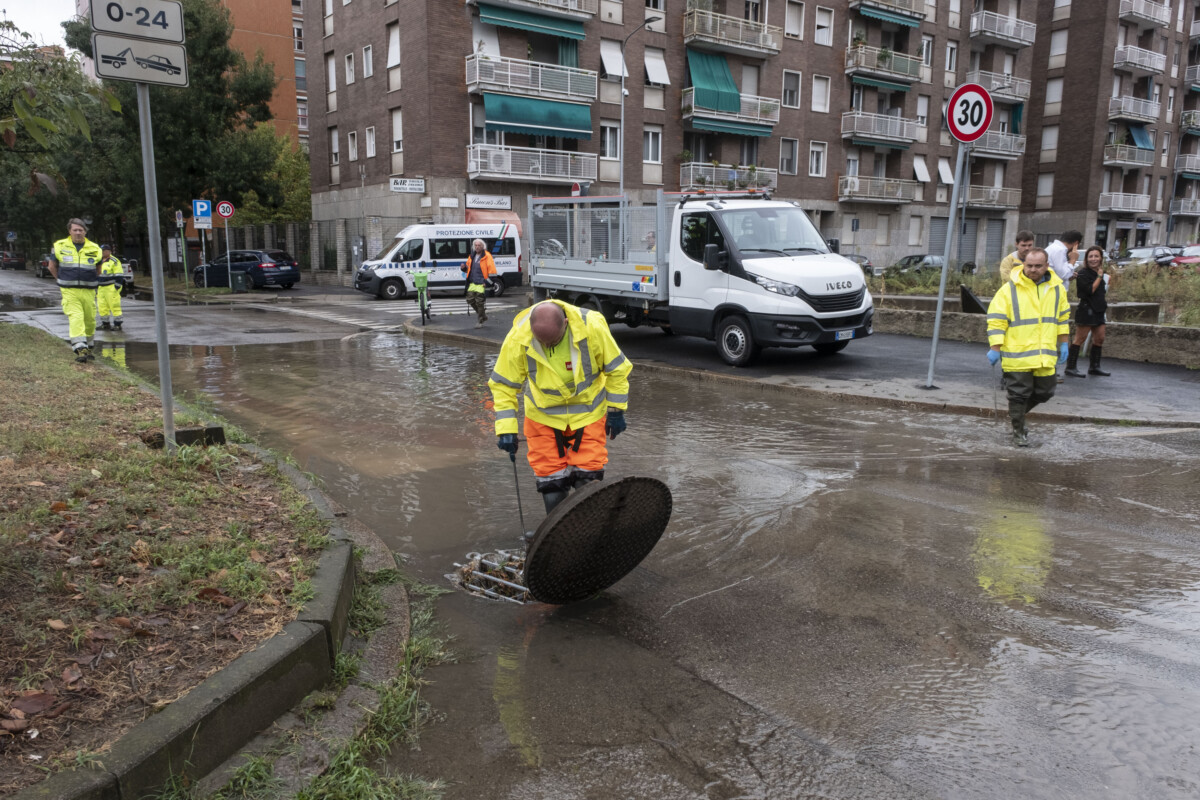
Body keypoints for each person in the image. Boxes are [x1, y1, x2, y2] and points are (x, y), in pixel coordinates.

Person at [489, 300, 632, 518]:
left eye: (553, 341)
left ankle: (589, 527)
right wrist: (506, 429)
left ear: (566, 323)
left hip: (587, 414)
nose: (547, 346)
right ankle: (558, 530)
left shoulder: (591, 327)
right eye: (542, 342)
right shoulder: (519, 337)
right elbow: (503, 385)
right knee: (551, 481)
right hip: (543, 417)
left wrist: (616, 411)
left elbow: (617, 370)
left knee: (588, 475)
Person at [985, 247, 1071, 447]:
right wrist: (995, 347)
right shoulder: (1009, 289)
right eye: (1029, 265)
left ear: (1047, 266)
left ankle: (1017, 416)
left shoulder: (1057, 289)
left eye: (1038, 266)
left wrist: (1064, 342)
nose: (1033, 269)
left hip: (1044, 354)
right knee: (1018, 395)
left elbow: (1062, 317)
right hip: (1017, 354)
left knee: (1045, 392)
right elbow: (997, 320)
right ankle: (1018, 432)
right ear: (1023, 264)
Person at [48, 218, 114, 363]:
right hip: (69, 290)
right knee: (76, 317)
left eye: (81, 230)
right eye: (75, 230)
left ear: (85, 232)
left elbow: (98, 269)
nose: (78, 233)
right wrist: (60, 280)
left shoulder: (95, 248)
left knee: (90, 320)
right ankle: (80, 348)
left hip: (89, 290)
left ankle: (88, 346)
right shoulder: (59, 246)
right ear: (69, 231)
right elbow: (52, 266)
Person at [1065, 245, 1111, 378]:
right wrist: (1099, 277)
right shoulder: (1083, 274)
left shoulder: (1100, 272)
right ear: (1086, 259)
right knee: (1080, 339)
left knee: (1100, 338)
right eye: (1090, 256)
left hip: (1099, 310)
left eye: (1096, 256)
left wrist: (1101, 276)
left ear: (1101, 258)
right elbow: (1090, 290)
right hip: (1086, 310)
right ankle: (1071, 367)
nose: (1093, 259)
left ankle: (1095, 366)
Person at [461, 238, 497, 328]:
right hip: (473, 282)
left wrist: (487, 283)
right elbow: (468, 269)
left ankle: (480, 320)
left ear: (482, 246)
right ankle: (483, 315)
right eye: (476, 245)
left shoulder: (487, 256)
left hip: (482, 283)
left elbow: (492, 271)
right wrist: (463, 268)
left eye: (479, 245)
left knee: (479, 302)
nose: (477, 247)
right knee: (470, 300)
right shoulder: (472, 256)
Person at [96, 244, 124, 331]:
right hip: (101, 288)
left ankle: (117, 324)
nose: (102, 252)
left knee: (114, 306)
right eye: (101, 251)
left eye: (104, 251)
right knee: (102, 306)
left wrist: (117, 286)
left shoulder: (114, 261)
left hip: (111, 287)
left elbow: (119, 274)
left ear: (109, 251)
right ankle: (105, 324)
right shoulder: (98, 261)